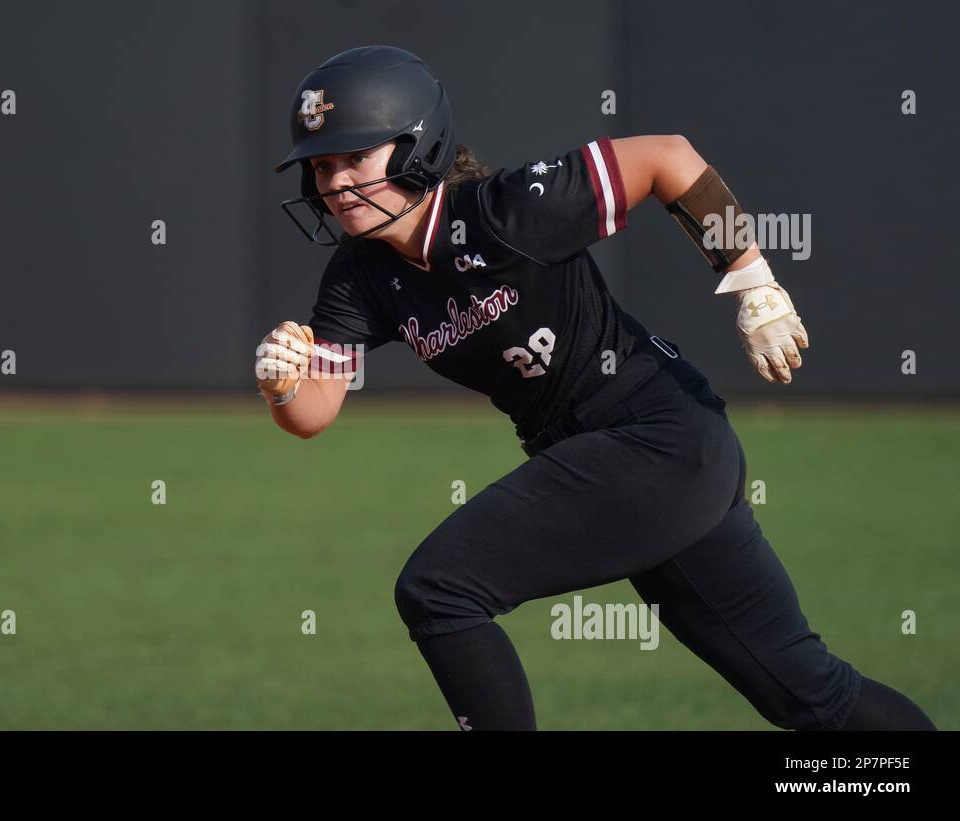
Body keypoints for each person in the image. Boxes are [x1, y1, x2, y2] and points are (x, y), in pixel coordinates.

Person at [254, 45, 935, 731]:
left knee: (439, 589)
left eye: (354, 158)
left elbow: (668, 157)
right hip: (635, 467)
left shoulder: (503, 212)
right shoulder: (360, 273)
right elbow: (314, 412)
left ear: (418, 146)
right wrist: (283, 382)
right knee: (812, 698)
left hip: (654, 436)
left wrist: (752, 279)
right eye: (320, 166)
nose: (335, 182)